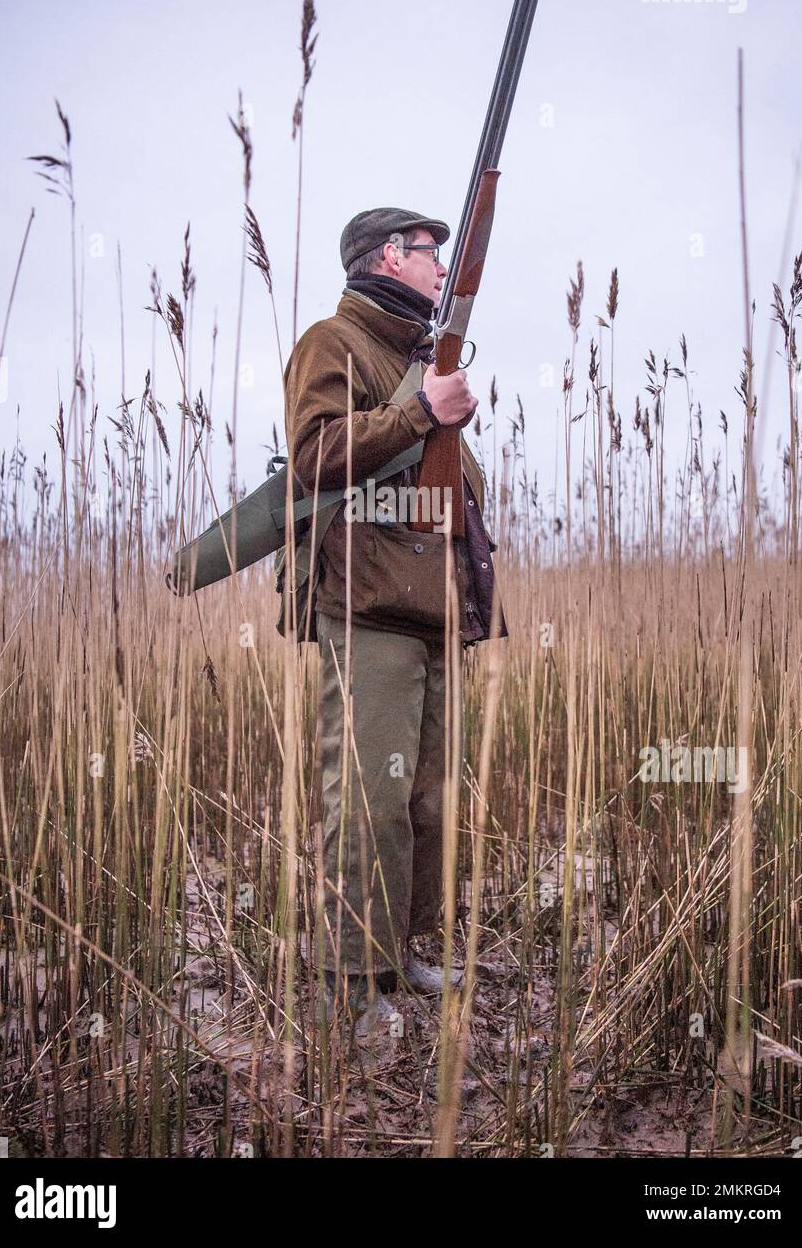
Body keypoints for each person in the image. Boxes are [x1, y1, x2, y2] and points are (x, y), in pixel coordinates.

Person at [282, 206, 507, 1030]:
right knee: (368, 801)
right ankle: (351, 979)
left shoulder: (416, 356)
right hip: (369, 606)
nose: (441, 269)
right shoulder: (333, 343)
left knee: (426, 802)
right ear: (388, 256)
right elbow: (312, 457)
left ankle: (400, 952)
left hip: (434, 611)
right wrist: (422, 412)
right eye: (428, 254)